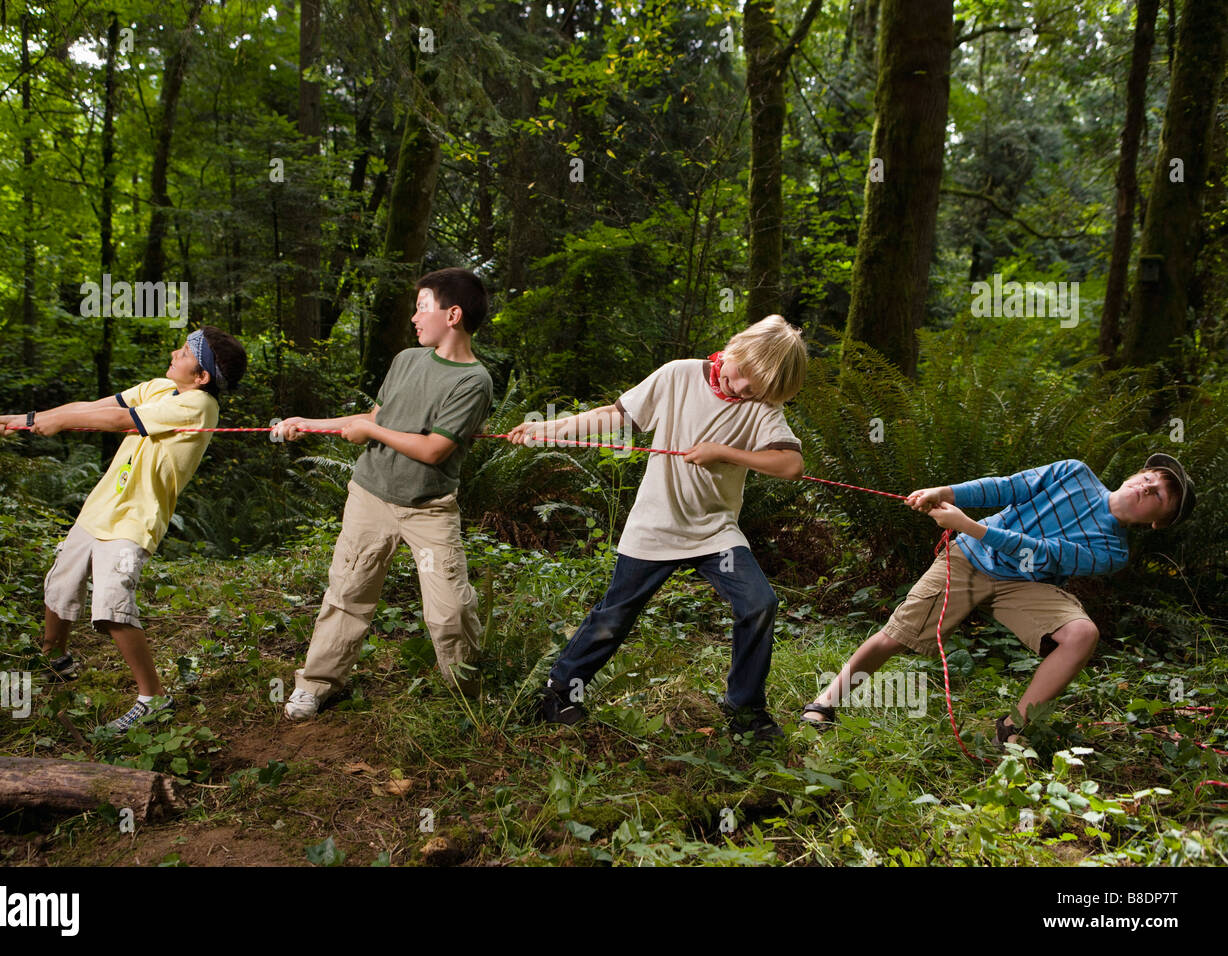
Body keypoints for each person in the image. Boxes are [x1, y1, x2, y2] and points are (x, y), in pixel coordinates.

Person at [510, 315, 808, 742]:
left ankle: (745, 711)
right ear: (737, 349)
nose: (745, 391)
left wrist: (724, 453)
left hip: (715, 533)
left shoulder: (762, 407)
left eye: (757, 389)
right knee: (615, 615)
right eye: (746, 377)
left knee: (759, 603)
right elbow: (612, 417)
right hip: (656, 527)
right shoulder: (678, 375)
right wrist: (547, 428)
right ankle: (559, 694)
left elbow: (791, 464)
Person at [801, 455, 1196, 745]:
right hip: (970, 557)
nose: (1146, 486)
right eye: (1147, 476)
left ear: (1157, 521)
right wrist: (945, 493)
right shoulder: (1073, 473)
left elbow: (1043, 552)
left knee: (1081, 634)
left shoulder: (1113, 551)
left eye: (1159, 494)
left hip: (1022, 582)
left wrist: (967, 525)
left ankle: (1011, 729)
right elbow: (1009, 486)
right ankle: (824, 704)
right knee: (896, 636)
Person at [0, 327, 247, 733]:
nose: (174, 353)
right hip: (102, 506)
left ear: (202, 377)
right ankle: (53, 658)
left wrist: (57, 423)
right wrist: (32, 419)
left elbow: (115, 419)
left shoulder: (199, 406)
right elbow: (96, 404)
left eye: (184, 353)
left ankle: (152, 697)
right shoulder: (162, 387)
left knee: (111, 602)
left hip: (134, 519)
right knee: (61, 582)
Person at [276, 268, 494, 719]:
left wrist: (372, 429)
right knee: (347, 592)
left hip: (428, 510)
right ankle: (315, 685)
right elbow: (374, 416)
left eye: (422, 306)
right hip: (370, 496)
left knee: (450, 609)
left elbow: (434, 449)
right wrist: (311, 424)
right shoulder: (406, 360)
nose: (415, 316)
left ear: (452, 315)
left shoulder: (474, 381)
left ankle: (467, 695)